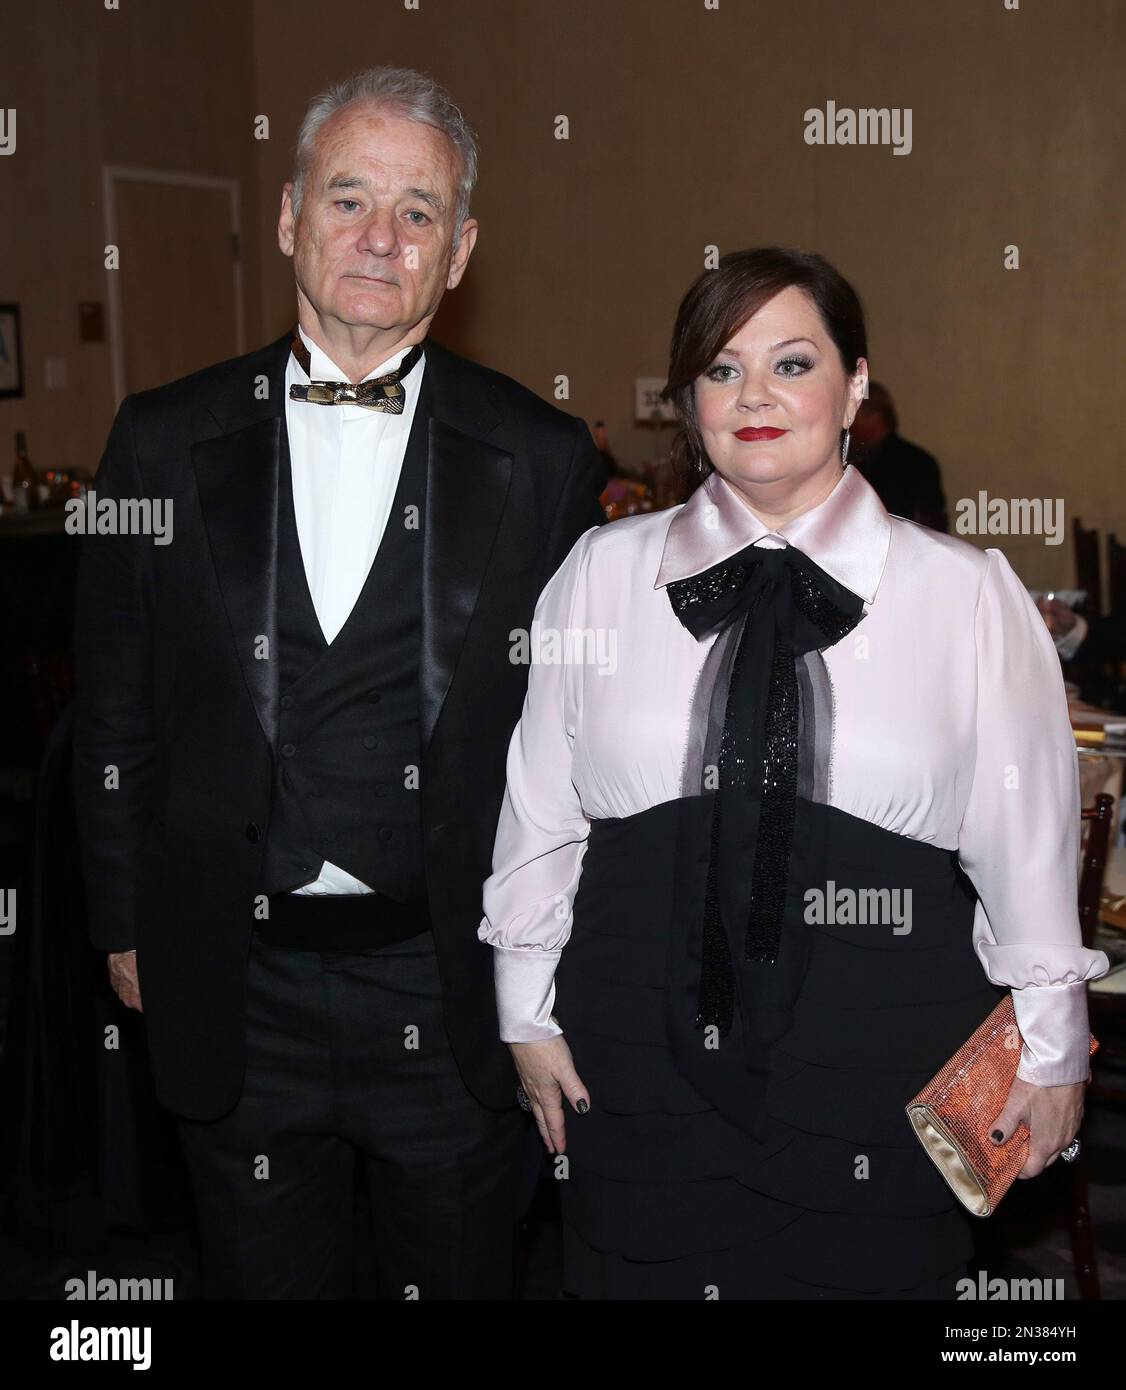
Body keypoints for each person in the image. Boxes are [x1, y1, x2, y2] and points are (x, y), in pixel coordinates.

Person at [479, 247, 1108, 1299]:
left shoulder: (965, 594)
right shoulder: (600, 573)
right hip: (635, 1039)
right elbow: (541, 809)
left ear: (856, 385)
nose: (755, 396)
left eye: (793, 362)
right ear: (688, 399)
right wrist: (524, 1011)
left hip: (881, 1044)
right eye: (722, 370)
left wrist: (1052, 1049)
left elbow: (1026, 839)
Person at [71, 65, 606, 1299]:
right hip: (230, 979)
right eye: (349, 197)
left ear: (459, 251)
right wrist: (121, 922)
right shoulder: (160, 436)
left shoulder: (537, 454)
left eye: (419, 212)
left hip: (449, 978)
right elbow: (113, 707)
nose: (380, 236)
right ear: (288, 216)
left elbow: (569, 733)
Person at [850, 380, 948, 532]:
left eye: (852, 414)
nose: (846, 423)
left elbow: (930, 525)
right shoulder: (918, 460)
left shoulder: (915, 464)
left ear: (874, 415)